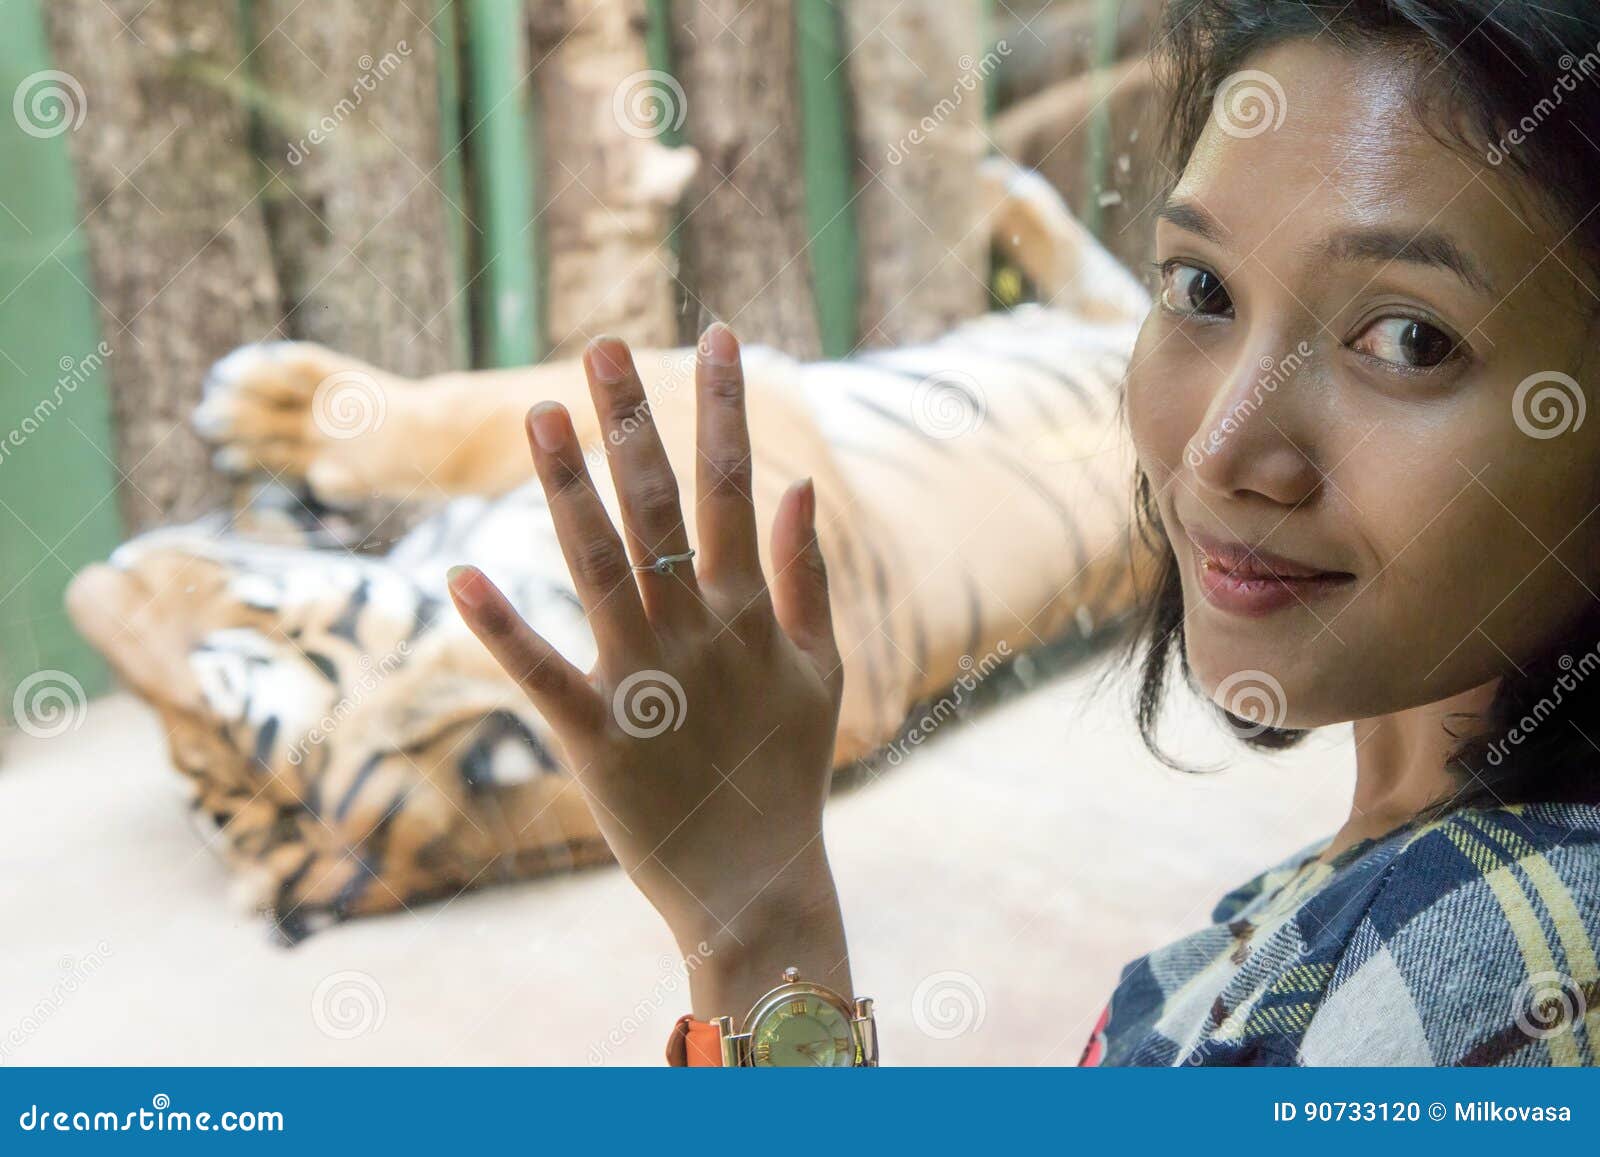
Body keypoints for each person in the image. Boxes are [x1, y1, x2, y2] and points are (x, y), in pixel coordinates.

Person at [448, 0, 1600, 1066]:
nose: (1216, 452)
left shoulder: (1490, 961)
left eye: (1407, 340)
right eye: (1200, 289)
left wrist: (758, 919)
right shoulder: (1403, 864)